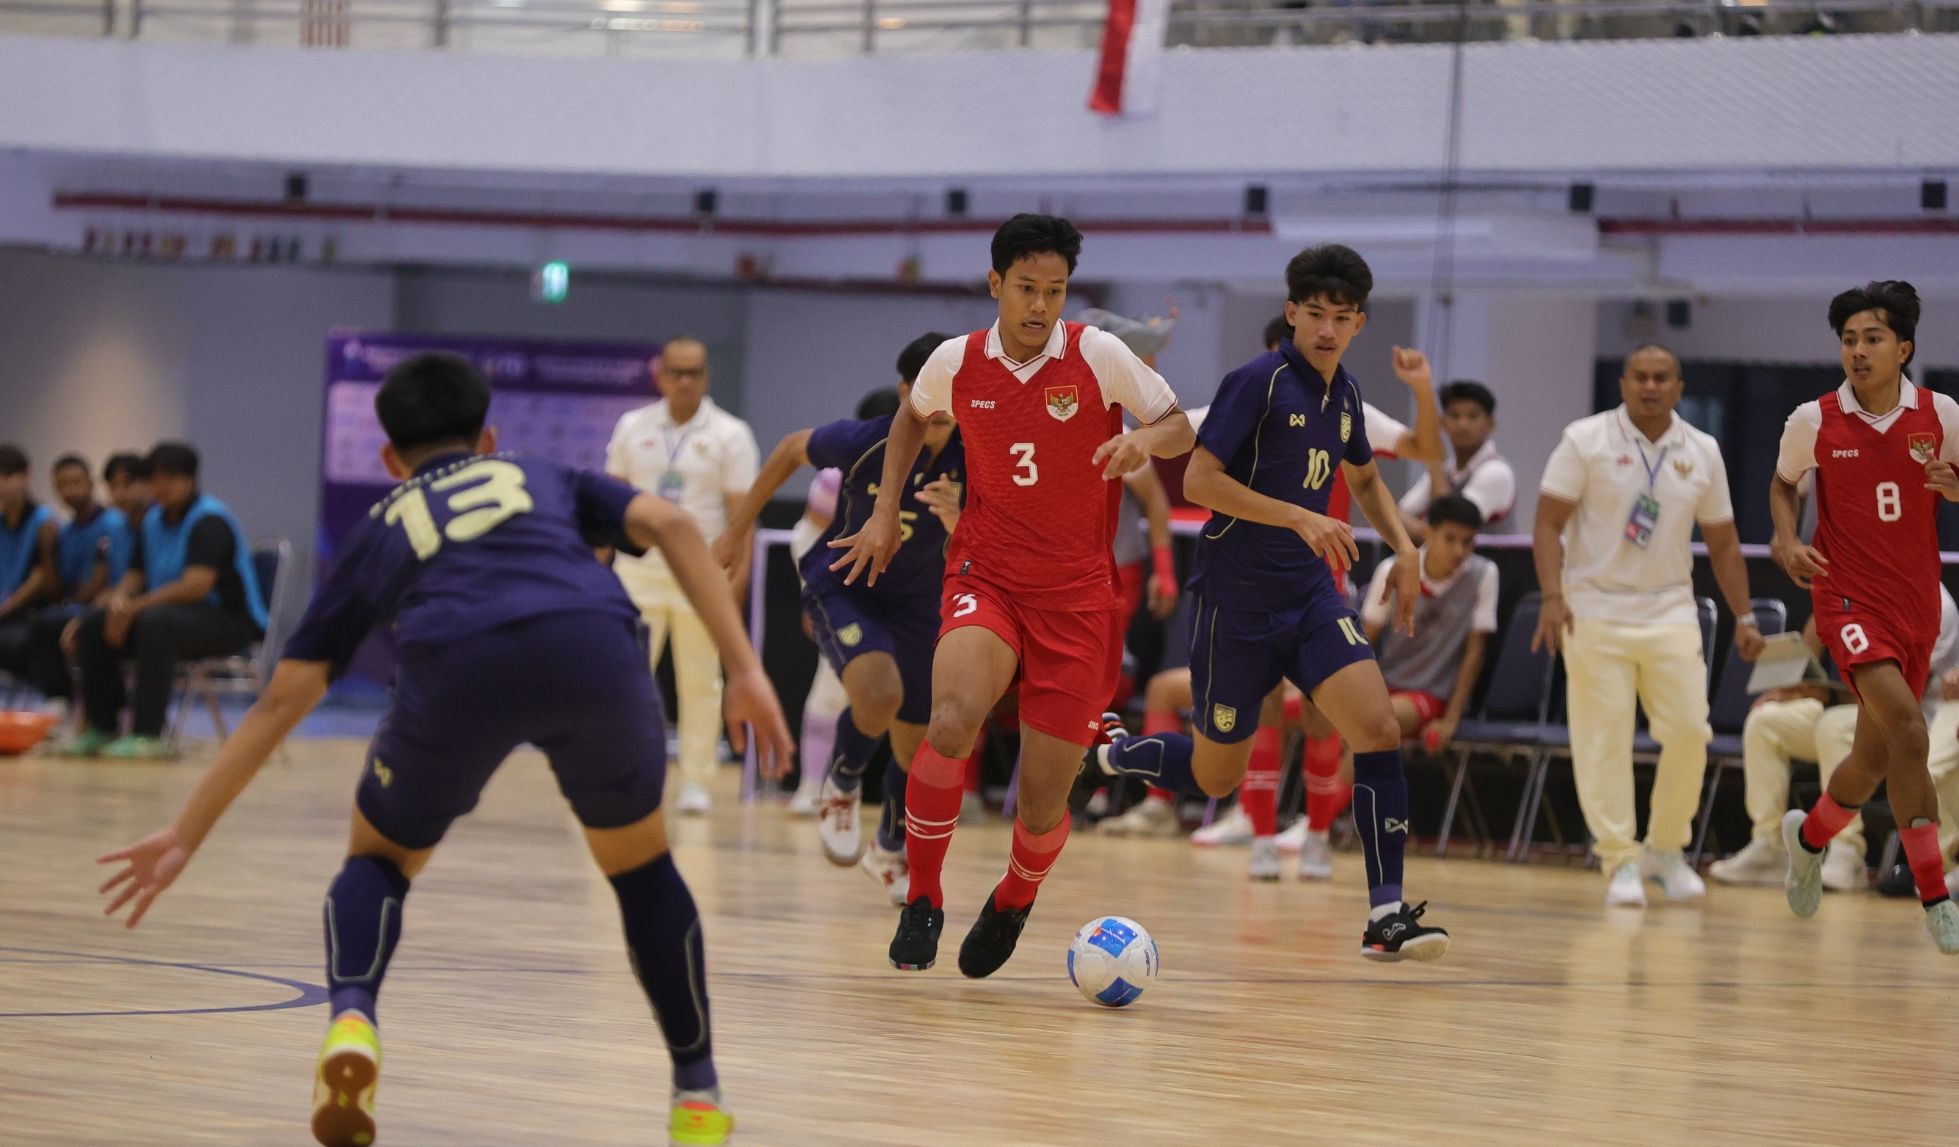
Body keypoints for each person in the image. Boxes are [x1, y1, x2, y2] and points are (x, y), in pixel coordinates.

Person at [95, 353, 794, 1147]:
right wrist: (744, 668)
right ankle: (696, 1095)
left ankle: (354, 1018)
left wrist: (186, 832)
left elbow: (285, 697)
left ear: (391, 459)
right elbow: (670, 525)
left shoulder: (385, 522)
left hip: (459, 661)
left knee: (378, 860)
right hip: (591, 646)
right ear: (488, 437)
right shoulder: (542, 475)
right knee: (641, 871)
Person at [830, 213, 1194, 976]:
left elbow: (1179, 426)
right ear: (995, 284)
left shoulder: (1097, 353)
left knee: (1039, 801)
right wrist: (879, 514)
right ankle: (922, 897)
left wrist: (1142, 440)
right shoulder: (954, 362)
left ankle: (1013, 898)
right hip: (985, 576)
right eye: (1026, 288)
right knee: (952, 718)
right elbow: (908, 420)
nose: (1039, 305)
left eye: (1054, 291)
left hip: (1077, 600)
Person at [1079, 244, 1451, 961]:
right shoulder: (1256, 381)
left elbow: (1367, 480)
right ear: (1291, 313)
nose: (1326, 329)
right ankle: (1115, 752)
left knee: (1375, 728)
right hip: (1235, 604)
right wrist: (1298, 516)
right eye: (1314, 314)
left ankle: (1385, 914)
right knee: (1217, 772)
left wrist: (1403, 545)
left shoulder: (1343, 395)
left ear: (1357, 324)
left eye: (1341, 319)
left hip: (1311, 596)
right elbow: (1199, 481)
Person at [717, 335, 963, 903]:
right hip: (847, 586)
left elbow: (991, 539)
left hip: (919, 602)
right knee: (877, 695)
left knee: (916, 746)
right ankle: (842, 781)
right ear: (909, 391)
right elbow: (786, 450)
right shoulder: (865, 440)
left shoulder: (973, 455)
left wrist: (960, 522)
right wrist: (736, 531)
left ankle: (888, 846)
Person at [1532, 344, 1764, 907]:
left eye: (1663, 378)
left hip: (1670, 611)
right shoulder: (1583, 440)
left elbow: (1725, 542)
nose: (1651, 386)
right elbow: (1546, 523)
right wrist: (1553, 595)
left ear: (1680, 387)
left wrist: (1745, 615)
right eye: (1641, 377)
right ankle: (1619, 859)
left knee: (1690, 731)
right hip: (1594, 610)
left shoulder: (1702, 450)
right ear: (1623, 383)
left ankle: (1666, 848)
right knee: (1602, 741)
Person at [1770, 280, 1959, 952]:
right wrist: (1786, 538)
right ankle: (1934, 893)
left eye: (1871, 338)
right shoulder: (1813, 418)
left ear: (1902, 347)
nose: (1857, 350)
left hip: (1916, 605)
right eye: (1848, 339)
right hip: (1845, 597)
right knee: (1909, 731)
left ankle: (1809, 835)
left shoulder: (1940, 413)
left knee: (1873, 755)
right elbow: (1782, 483)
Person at [1711, 590, 1959, 892]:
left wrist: (1826, 695)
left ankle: (1847, 852)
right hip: (1856, 705)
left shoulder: (1933, 605)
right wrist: (1795, 684)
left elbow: (1901, 695)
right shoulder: (1853, 585)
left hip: (1915, 721)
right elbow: (1808, 648)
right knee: (1766, 721)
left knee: (1833, 726)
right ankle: (1769, 847)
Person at [607, 338, 762, 815]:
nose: (685, 381)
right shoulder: (632, 427)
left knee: (700, 682)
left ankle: (696, 780)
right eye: (676, 372)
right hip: (636, 572)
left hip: (701, 577)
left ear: (707, 376)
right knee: (623, 678)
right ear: (660, 375)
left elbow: (742, 520)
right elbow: (610, 499)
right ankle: (617, 771)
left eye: (694, 372)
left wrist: (735, 586)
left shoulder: (731, 434)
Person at [64, 443, 266, 758]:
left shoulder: (210, 520)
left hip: (229, 622)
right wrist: (118, 603)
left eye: (171, 478)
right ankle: (102, 727)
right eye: (155, 479)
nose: (162, 486)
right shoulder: (152, 521)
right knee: (93, 625)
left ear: (191, 479)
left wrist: (135, 608)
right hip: (169, 617)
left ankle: (147, 734)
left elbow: (195, 587)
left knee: (155, 624)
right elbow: (135, 575)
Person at [785, 388, 901, 818]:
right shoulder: (836, 477)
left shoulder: (931, 469)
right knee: (831, 688)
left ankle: (901, 801)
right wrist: (814, 598)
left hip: (905, 599)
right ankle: (812, 785)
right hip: (848, 596)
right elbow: (808, 538)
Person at [1361, 493, 1498, 752]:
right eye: (1450, 539)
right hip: (1385, 686)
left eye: (1467, 542)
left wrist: (1450, 720)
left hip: (1432, 695)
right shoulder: (1392, 570)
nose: (1459, 550)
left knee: (1372, 723)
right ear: (1428, 533)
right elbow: (1364, 641)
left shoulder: (1484, 575)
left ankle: (1330, 793)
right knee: (1314, 712)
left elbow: (1474, 653)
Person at [25, 455, 131, 707]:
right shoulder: (67, 532)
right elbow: (55, 591)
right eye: (62, 485)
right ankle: (59, 701)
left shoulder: (114, 524)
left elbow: (100, 585)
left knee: (49, 624)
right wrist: (47, 550)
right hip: (71, 606)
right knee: (38, 621)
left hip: (106, 606)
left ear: (91, 484)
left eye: (76, 482)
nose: (70, 490)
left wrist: (78, 602)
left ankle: (62, 702)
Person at [1399, 379, 1517, 541]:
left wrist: (1432, 458)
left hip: (1492, 565)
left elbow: (1453, 524)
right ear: (1443, 423)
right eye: (1455, 415)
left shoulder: (1497, 472)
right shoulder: (1447, 469)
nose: (1462, 424)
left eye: (1472, 416)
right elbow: (1399, 514)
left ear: (1490, 424)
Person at [0, 444, 59, 689]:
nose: (2, 485)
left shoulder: (43, 521)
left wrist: (3, 611)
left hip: (29, 614)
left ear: (26, 475)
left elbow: (39, 580)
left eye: (7, 476)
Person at [103, 452, 153, 524]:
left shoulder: (162, 518)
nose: (119, 493)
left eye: (127, 484)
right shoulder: (116, 524)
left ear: (146, 482)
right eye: (113, 486)